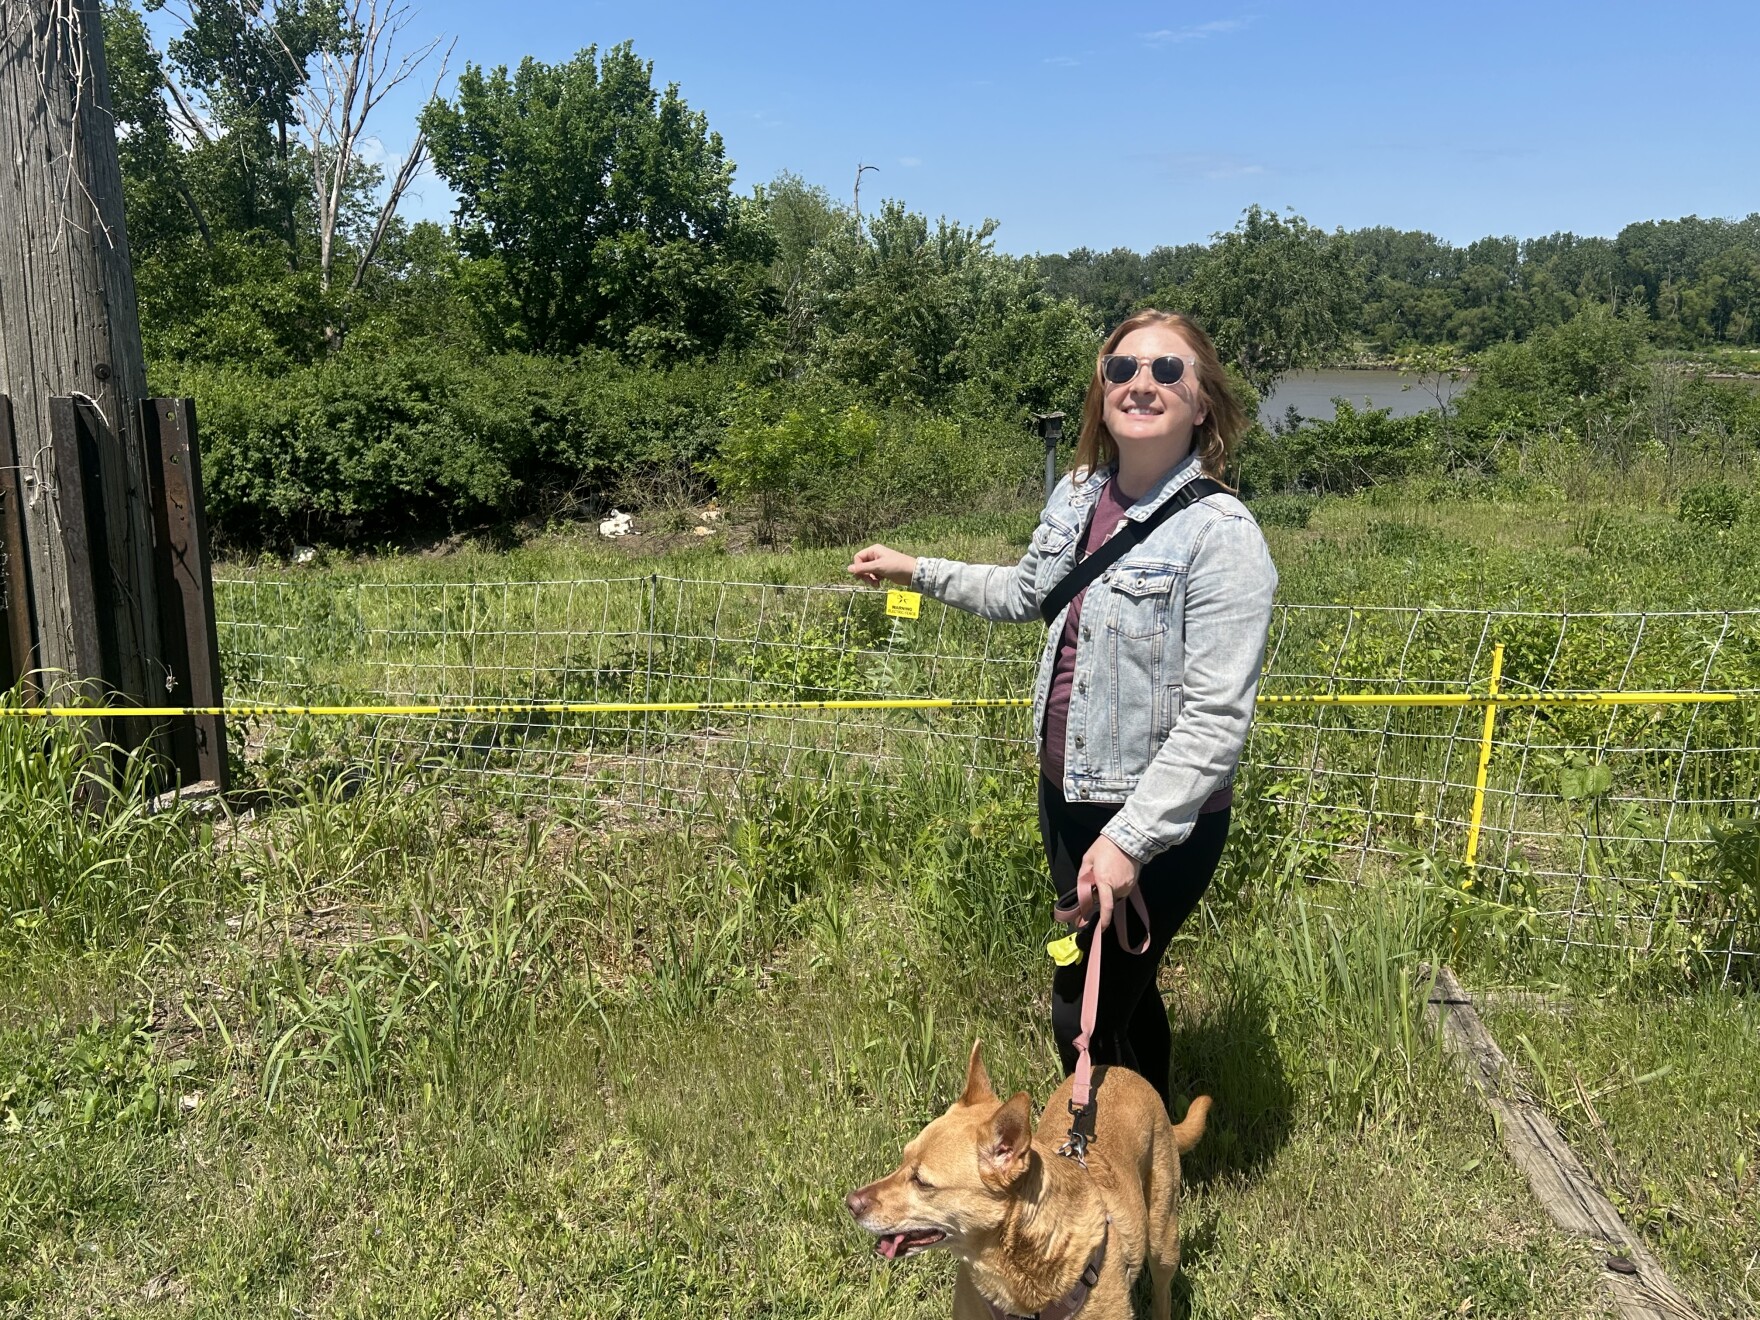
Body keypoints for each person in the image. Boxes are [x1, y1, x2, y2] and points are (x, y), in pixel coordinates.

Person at [847, 309, 1277, 1114]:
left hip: (1155, 819)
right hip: (1068, 795)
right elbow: (1025, 593)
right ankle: (1144, 1149)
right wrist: (917, 571)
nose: (1141, 383)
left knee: (1081, 1003)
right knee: (1123, 990)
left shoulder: (1224, 535)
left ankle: (1101, 1161)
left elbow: (1217, 720)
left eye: (1167, 371)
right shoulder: (1080, 494)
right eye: (1121, 370)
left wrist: (1127, 840)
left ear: (1203, 402)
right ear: (1101, 392)